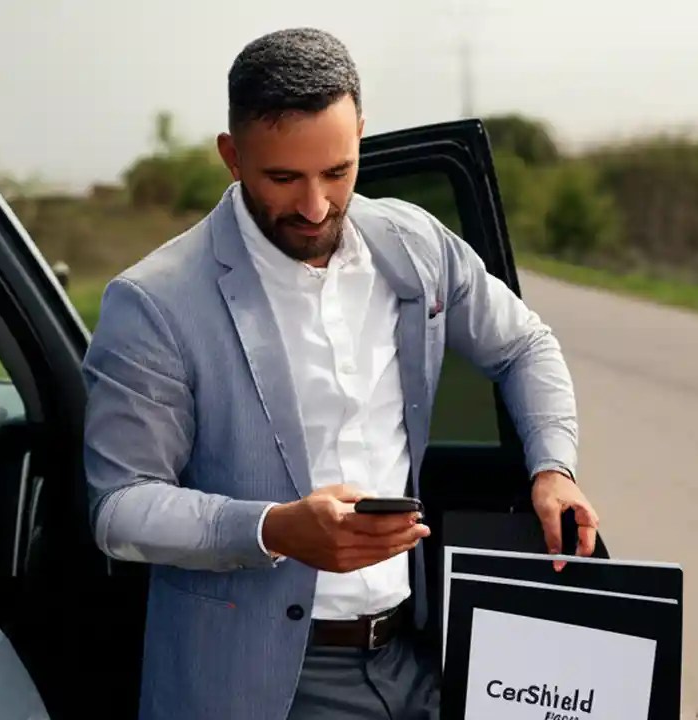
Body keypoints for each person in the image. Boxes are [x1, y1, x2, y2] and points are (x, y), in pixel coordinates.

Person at [81, 27, 600, 720]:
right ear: (231, 156)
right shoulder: (155, 302)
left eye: (338, 171)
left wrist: (552, 468)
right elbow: (120, 507)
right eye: (284, 179)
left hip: (418, 659)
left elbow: (525, 345)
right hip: (260, 687)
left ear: (361, 132)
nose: (316, 206)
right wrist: (272, 529)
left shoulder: (415, 243)